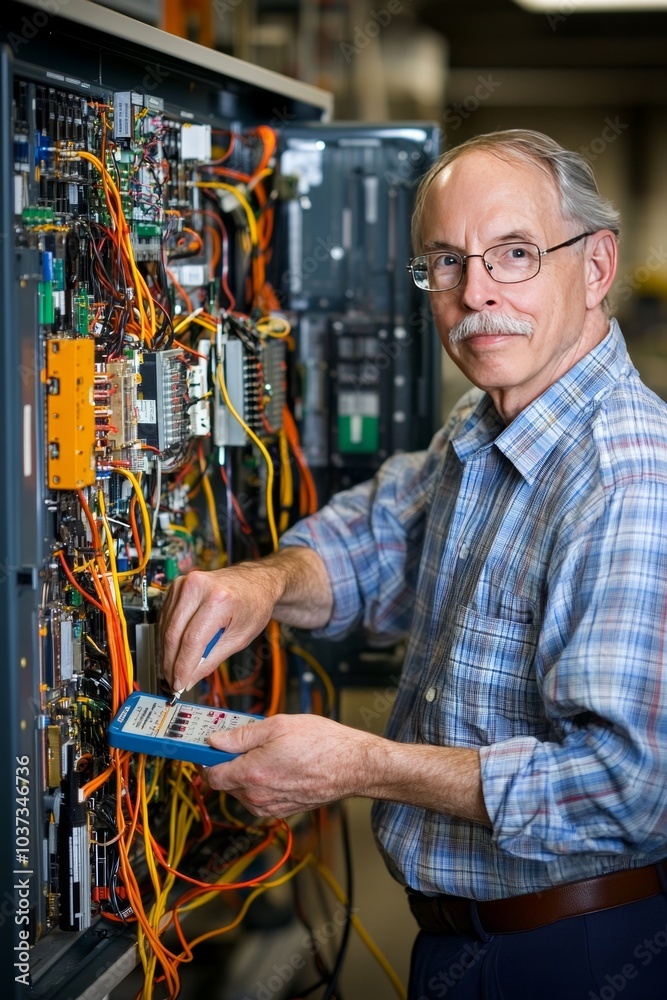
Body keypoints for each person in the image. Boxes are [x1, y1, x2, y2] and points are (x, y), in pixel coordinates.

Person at [159, 129, 667, 999]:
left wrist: (361, 764)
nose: (475, 293)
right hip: (466, 942)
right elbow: (380, 542)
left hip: (573, 953)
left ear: (592, 268)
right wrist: (266, 581)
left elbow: (625, 789)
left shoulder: (626, 475)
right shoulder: (490, 421)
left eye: (513, 254)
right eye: (444, 262)